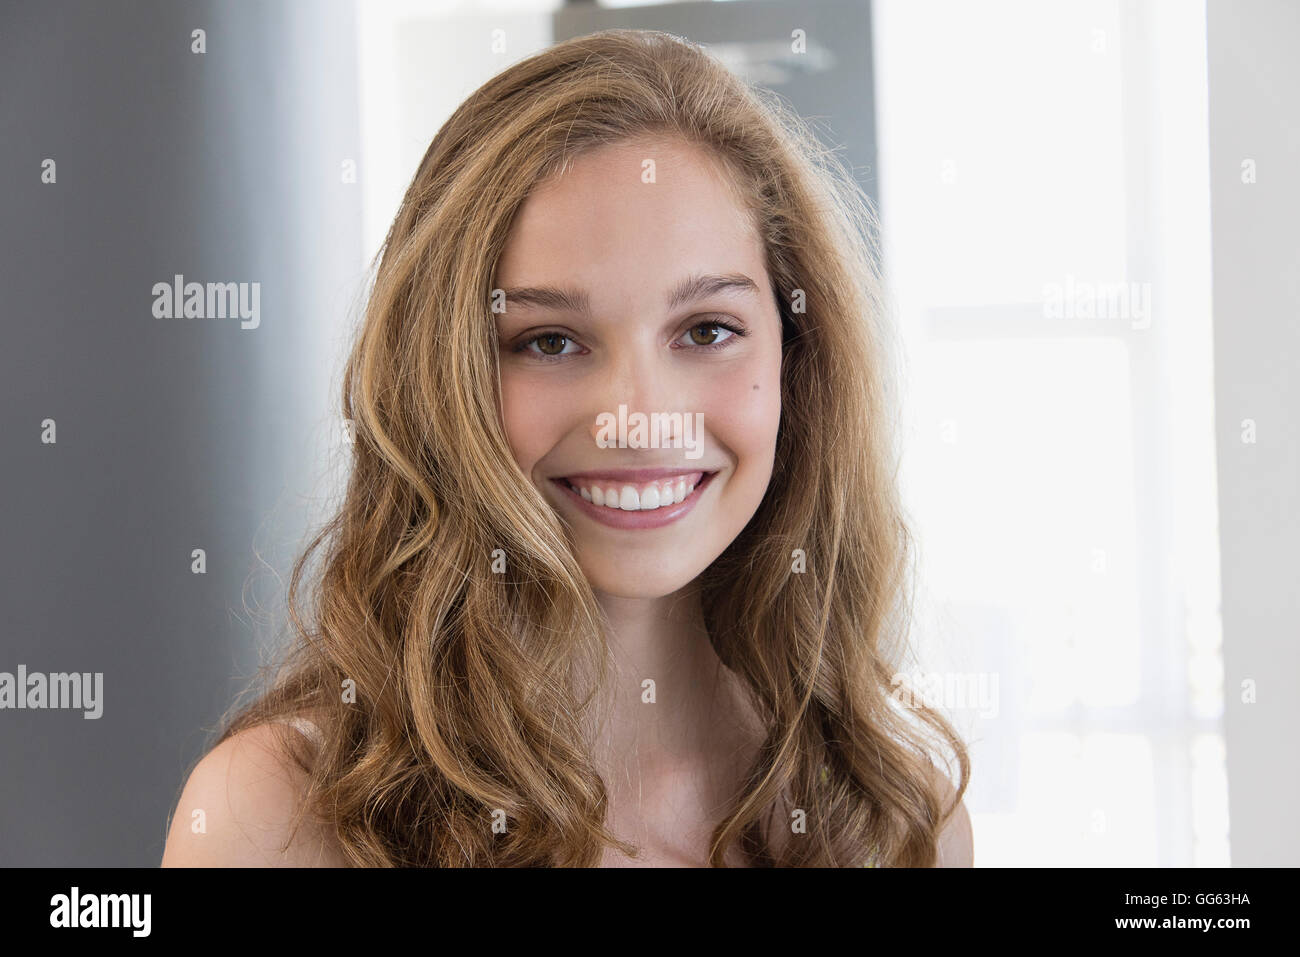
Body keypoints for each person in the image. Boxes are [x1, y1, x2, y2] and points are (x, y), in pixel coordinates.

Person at [161, 28, 972, 868]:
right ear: (442, 377)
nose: (639, 417)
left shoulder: (901, 815)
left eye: (706, 329)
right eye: (550, 340)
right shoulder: (268, 817)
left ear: (797, 358)